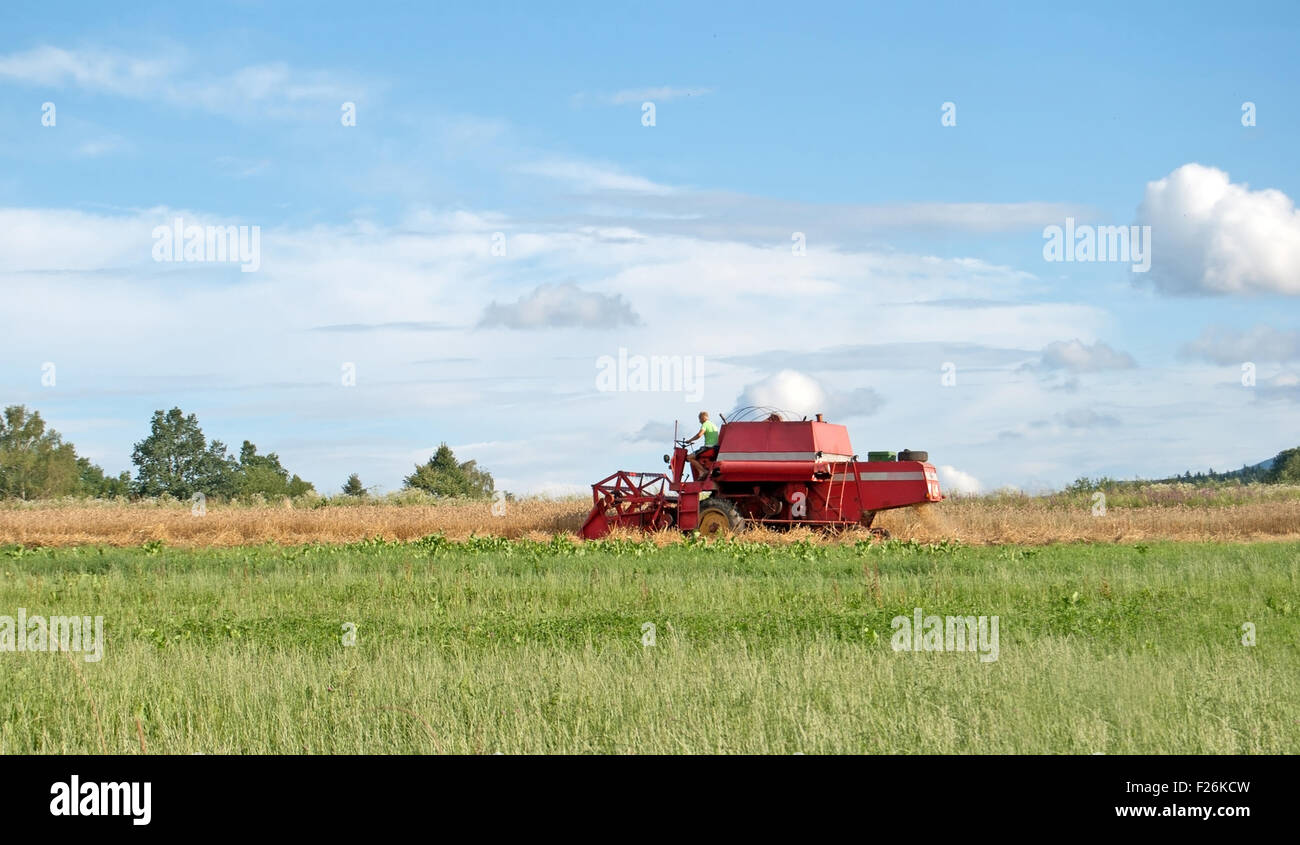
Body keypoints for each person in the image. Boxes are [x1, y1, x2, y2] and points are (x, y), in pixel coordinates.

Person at [684, 411, 719, 481]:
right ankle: (700, 472)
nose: (699, 421)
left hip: (708, 447)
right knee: (697, 455)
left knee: (689, 457)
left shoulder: (705, 424)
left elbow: (699, 435)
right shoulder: (714, 425)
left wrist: (690, 440)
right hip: (715, 448)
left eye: (699, 419)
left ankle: (703, 471)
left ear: (703, 417)